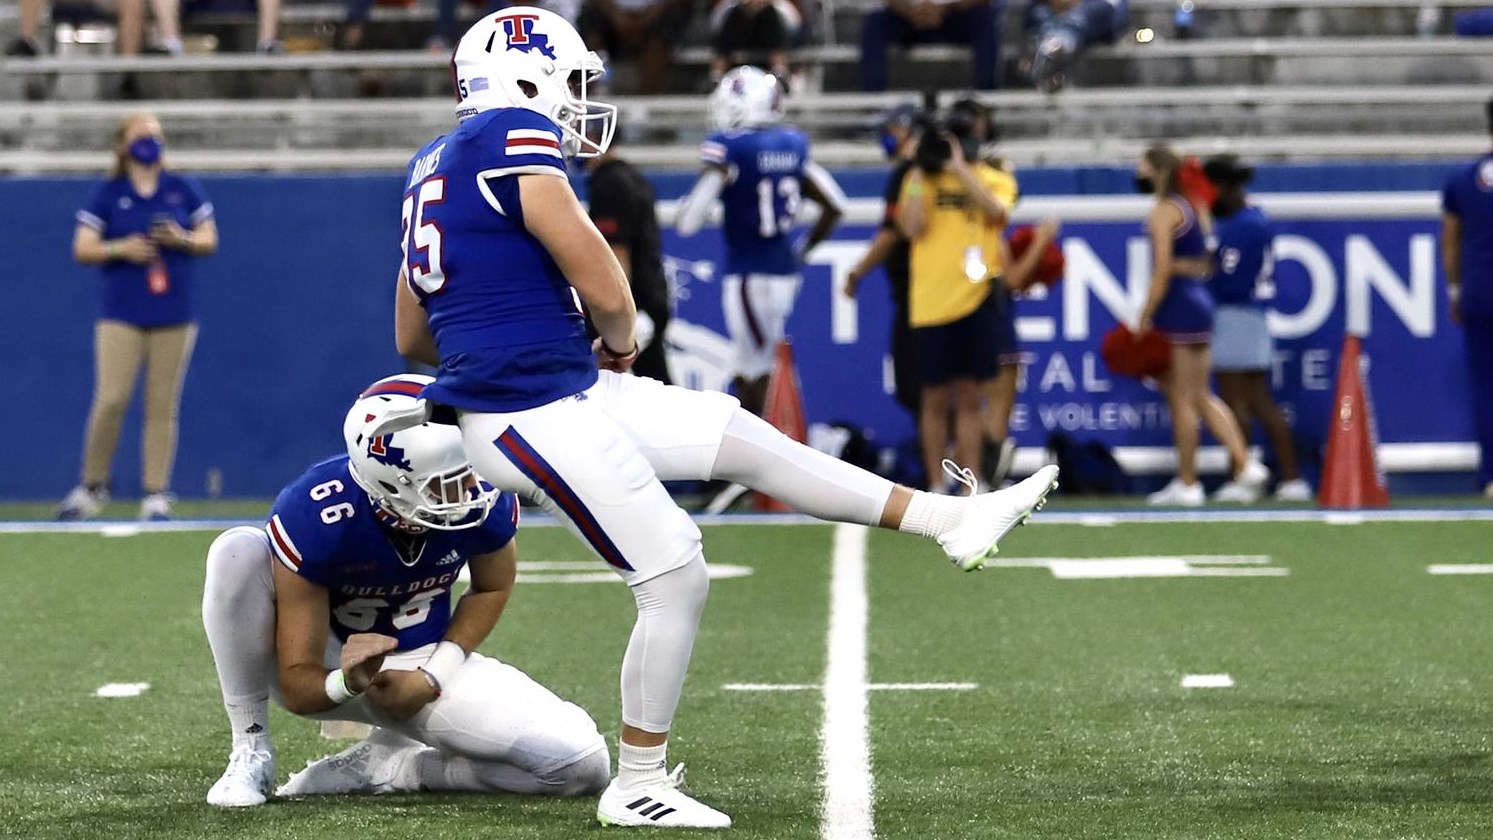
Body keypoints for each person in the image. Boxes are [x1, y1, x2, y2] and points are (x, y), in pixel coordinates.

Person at [393, 9, 1059, 826]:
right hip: (525, 408)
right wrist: (617, 332)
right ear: (521, 75)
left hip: (539, 392)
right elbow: (603, 280)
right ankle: (638, 781)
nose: (576, 100)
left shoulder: (432, 163)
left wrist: (521, 329)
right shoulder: (510, 136)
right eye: (570, 81)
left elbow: (411, 332)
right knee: (673, 569)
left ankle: (949, 519)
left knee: (740, 436)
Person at [202, 374, 610, 807]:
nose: (471, 492)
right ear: (391, 483)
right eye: (448, 485)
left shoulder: (482, 496)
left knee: (580, 765)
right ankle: (251, 747)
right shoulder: (319, 512)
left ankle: (397, 767)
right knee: (238, 552)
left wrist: (433, 675)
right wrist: (349, 680)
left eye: (469, 472)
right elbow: (300, 686)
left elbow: (492, 587)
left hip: (425, 657)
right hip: (333, 659)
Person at [59, 113, 218, 522]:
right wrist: (121, 249)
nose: (150, 141)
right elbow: (83, 247)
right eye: (141, 134)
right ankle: (92, 485)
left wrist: (179, 239)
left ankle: (156, 493)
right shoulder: (109, 192)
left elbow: (208, 238)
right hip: (121, 311)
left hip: (173, 312)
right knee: (111, 398)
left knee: (162, 404)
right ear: (122, 144)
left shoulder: (182, 188)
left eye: (156, 135)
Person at [676, 66, 847, 417]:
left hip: (749, 270)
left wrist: (708, 189)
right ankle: (753, 454)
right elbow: (836, 205)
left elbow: (688, 224)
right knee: (757, 361)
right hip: (784, 269)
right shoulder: (792, 143)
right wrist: (802, 251)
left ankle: (752, 458)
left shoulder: (731, 148)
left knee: (752, 366)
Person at [1133, 144, 1266, 506]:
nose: (1137, 175)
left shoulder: (1163, 211)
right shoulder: (1194, 206)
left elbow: (1161, 270)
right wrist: (1181, 269)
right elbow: (1203, 263)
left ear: (1158, 171)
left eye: (1142, 168)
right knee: (1197, 395)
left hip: (1177, 306)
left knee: (1185, 399)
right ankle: (1213, 471)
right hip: (1199, 302)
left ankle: (1212, 472)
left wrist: (1145, 316)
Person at [895, 113, 1015, 493]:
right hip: (930, 301)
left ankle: (970, 482)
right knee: (932, 399)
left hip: (975, 299)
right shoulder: (919, 181)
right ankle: (934, 483)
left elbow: (996, 212)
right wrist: (917, 172)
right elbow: (910, 227)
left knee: (969, 397)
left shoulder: (993, 176)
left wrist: (960, 169)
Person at [1202, 154, 1311, 502]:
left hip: (1235, 313)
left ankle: (1243, 476)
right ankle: (1291, 478)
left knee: (1239, 404)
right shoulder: (1254, 218)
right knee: (1260, 401)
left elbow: (1225, 276)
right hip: (1251, 315)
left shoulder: (1241, 226)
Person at [845, 102, 924, 420]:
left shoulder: (909, 174)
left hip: (919, 296)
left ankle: (948, 462)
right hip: (927, 293)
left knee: (919, 387)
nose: (887, 139)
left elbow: (892, 233)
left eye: (891, 131)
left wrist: (856, 273)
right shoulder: (922, 172)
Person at [584, 133, 673, 384]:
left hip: (634, 300)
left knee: (598, 379)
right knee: (657, 381)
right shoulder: (633, 177)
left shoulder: (609, 183)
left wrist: (616, 306)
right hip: (652, 292)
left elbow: (617, 251)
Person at [1439, 96, 1493, 498]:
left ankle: (1491, 475)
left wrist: (1455, 289)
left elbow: (1450, 244)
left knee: (1485, 386)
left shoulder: (1462, 178)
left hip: (1480, 291)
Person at [859, 0, 1003, 92]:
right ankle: (873, 103)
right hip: (910, 18)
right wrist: (912, 11)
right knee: (875, 22)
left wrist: (944, 8)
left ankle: (985, 100)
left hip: (957, 16)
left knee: (985, 18)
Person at [577, 0, 693, 94]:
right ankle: (586, 95)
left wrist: (654, 12)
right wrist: (616, 15)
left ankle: (644, 104)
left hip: (660, 13)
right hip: (610, 13)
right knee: (590, 21)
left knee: (664, 31)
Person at [1022, 0, 1128, 92]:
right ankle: (1051, 51)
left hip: (1093, 13)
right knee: (1039, 13)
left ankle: (1052, 51)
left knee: (1080, 18)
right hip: (1051, 15)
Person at [707, 0, 802, 87]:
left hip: (766, 65)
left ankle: (780, 75)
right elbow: (715, 27)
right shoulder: (730, 11)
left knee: (770, 15)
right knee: (735, 17)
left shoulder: (776, 10)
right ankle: (716, 79)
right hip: (736, 64)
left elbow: (795, 25)